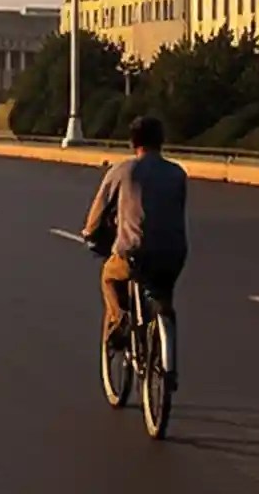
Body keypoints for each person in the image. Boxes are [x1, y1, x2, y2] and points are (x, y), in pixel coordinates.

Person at [81, 116, 188, 363]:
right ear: (161, 141)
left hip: (134, 253)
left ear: (133, 142)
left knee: (109, 277)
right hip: (174, 254)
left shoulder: (123, 171)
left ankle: (120, 321)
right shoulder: (177, 173)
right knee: (162, 293)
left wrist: (90, 235)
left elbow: (96, 217)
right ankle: (164, 336)